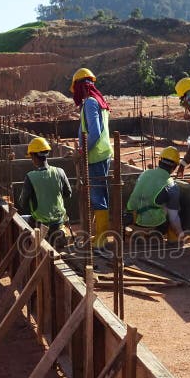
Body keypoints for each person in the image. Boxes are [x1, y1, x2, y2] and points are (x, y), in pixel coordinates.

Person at [71, 67, 112, 248]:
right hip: (102, 153)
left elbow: (94, 132)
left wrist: (82, 151)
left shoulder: (89, 103)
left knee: (97, 196)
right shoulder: (99, 101)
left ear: (81, 87)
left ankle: (101, 238)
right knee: (99, 194)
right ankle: (98, 234)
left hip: (95, 156)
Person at [17, 137, 72, 248]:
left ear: (33, 156)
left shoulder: (30, 176)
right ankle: (62, 233)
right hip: (59, 221)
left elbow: (23, 203)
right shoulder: (60, 172)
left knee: (19, 220)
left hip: (40, 223)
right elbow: (68, 194)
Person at [126, 147, 184, 243]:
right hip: (153, 224)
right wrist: (180, 233)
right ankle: (171, 237)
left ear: (159, 161)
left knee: (158, 202)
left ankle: (141, 232)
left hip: (132, 218)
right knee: (175, 208)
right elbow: (173, 218)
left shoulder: (144, 174)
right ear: (174, 167)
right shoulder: (172, 186)